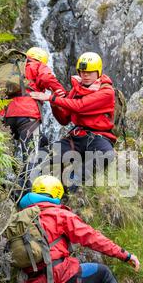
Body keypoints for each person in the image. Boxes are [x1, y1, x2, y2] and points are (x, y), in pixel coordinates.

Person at [30, 52, 116, 190]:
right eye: (82, 72)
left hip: (98, 137)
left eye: (89, 72)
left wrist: (51, 99)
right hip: (76, 137)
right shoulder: (76, 90)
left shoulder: (107, 91)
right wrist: (55, 104)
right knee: (42, 155)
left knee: (107, 153)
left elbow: (80, 106)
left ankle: (75, 178)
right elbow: (64, 119)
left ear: (98, 72)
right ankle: (22, 185)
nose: (85, 75)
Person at [1, 47, 66, 194]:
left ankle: (5, 182)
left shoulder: (12, 67)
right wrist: (60, 92)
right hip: (28, 115)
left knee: (7, 151)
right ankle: (27, 191)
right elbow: (48, 79)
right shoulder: (37, 65)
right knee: (31, 156)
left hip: (7, 114)